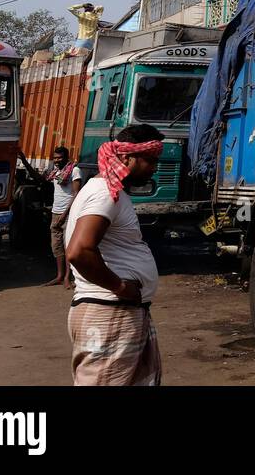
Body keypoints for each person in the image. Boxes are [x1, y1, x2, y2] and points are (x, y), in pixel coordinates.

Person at [64, 124, 165, 385]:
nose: (154, 167)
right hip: (109, 312)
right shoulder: (104, 194)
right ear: (125, 157)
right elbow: (79, 250)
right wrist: (119, 286)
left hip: (117, 311)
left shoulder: (108, 192)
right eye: (150, 161)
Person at [44, 146, 83, 288]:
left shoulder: (74, 170)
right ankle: (59, 276)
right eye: (55, 158)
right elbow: (42, 180)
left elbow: (76, 194)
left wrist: (64, 214)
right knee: (56, 246)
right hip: (55, 212)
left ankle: (67, 277)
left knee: (68, 246)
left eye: (59, 158)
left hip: (68, 214)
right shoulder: (56, 172)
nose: (56, 160)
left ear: (66, 158)